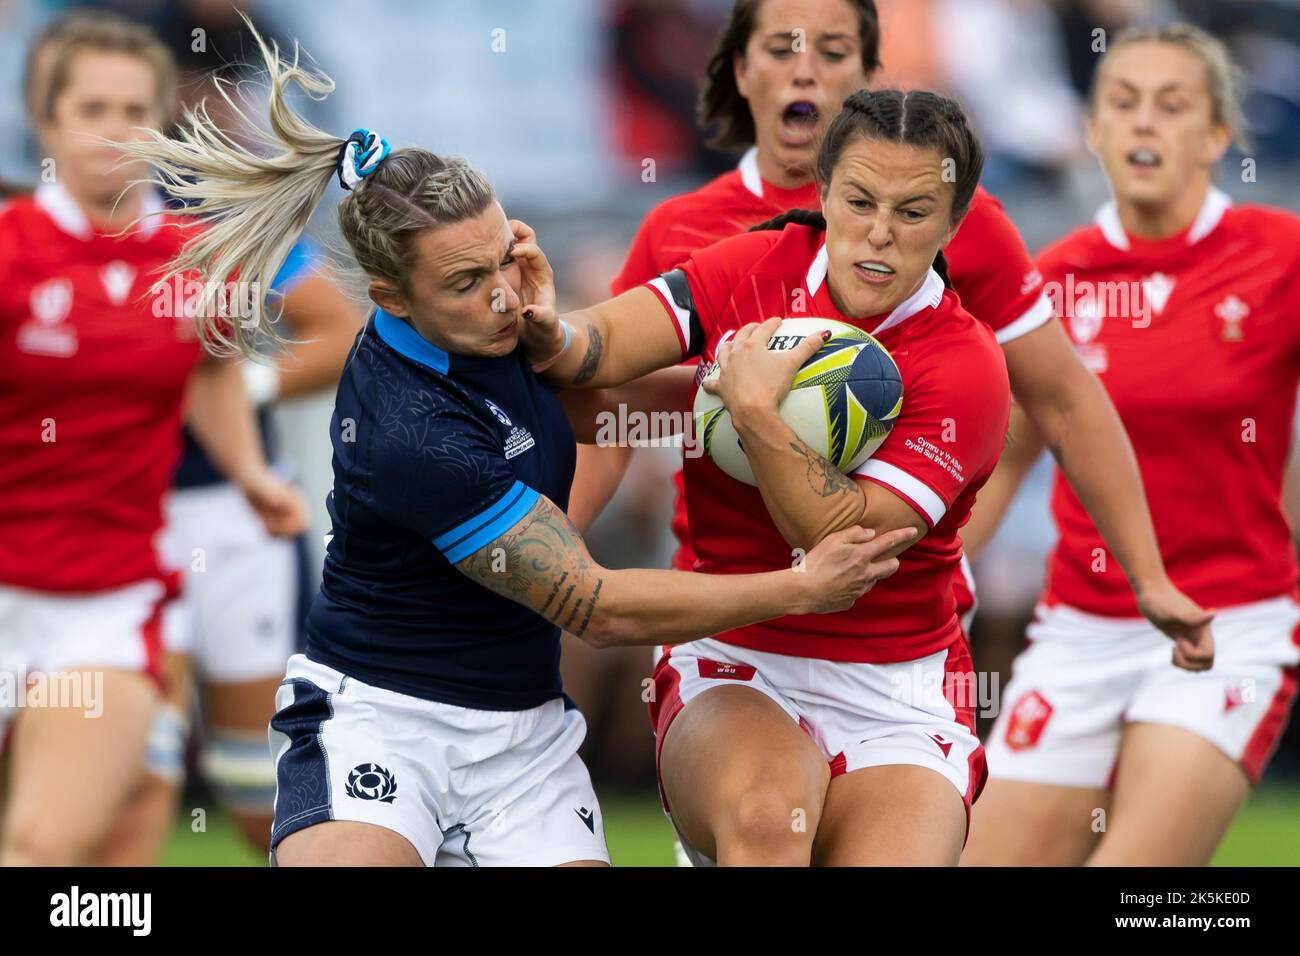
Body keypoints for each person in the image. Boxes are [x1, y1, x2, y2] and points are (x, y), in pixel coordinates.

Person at [121, 21, 908, 867]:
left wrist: (774, 401)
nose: (500, 296)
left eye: (504, 258)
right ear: (391, 296)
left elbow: (645, 412)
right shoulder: (411, 431)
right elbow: (600, 608)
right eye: (465, 282)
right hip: (385, 722)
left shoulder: (507, 335)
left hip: (523, 742)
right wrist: (799, 586)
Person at [574, 0, 1213, 657]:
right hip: (732, 620)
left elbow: (1061, 399)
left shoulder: (959, 222)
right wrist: (559, 546)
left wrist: (1149, 578)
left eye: (832, 52)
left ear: (868, 73)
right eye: (780, 51)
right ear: (738, 69)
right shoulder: (680, 229)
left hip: (901, 632)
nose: (805, 74)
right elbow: (622, 417)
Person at [525, 88, 1010, 866]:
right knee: (764, 822)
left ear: (954, 224)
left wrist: (753, 410)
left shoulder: (968, 365)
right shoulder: (753, 265)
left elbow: (835, 542)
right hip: (739, 654)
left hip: (899, 688)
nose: (879, 232)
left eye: (915, 212)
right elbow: (602, 350)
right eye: (859, 200)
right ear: (823, 192)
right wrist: (547, 329)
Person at [963, 24, 1300, 867]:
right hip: (1079, 629)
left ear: (1218, 136)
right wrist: (923, 589)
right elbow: (1006, 456)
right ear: (1094, 129)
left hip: (1229, 626)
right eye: (1123, 103)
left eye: (1172, 104)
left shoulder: (1279, 256)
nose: (1145, 123)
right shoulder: (1058, 276)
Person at [0, 11, 306, 866]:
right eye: (91, 108)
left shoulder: (196, 255)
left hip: (103, 603)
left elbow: (206, 363)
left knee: (52, 848)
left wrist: (249, 471)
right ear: (45, 118)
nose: (114, 132)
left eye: (133, 110)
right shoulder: (10, 251)